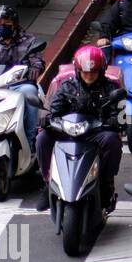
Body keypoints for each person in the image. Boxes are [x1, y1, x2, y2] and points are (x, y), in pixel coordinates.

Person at [35, 45, 123, 211]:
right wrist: (47, 119)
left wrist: (114, 122)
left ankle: (107, 183)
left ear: (102, 70)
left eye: (93, 71)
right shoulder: (67, 86)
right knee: (42, 138)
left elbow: (123, 116)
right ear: (77, 70)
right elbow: (54, 109)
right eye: (85, 72)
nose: (89, 75)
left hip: (96, 132)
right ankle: (48, 182)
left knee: (112, 140)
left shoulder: (112, 88)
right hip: (67, 131)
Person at [0, 4, 45, 150]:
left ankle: (29, 139)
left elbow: (37, 61)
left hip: (20, 85)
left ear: (14, 23)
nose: (2, 25)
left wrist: (35, 69)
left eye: (6, 22)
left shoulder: (29, 41)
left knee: (30, 94)